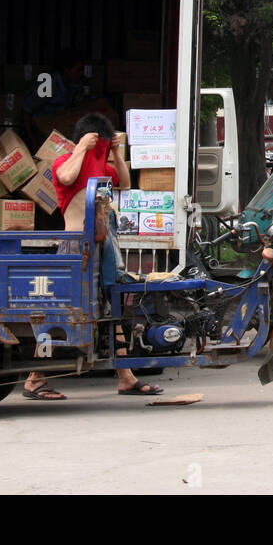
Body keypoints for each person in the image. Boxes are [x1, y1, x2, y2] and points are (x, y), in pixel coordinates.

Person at [22, 112, 164, 399]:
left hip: (100, 249)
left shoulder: (102, 167)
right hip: (76, 251)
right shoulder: (67, 160)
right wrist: (81, 148)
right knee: (61, 313)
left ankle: (126, 377)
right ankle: (35, 378)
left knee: (112, 307)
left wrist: (115, 152)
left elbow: (123, 182)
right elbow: (65, 176)